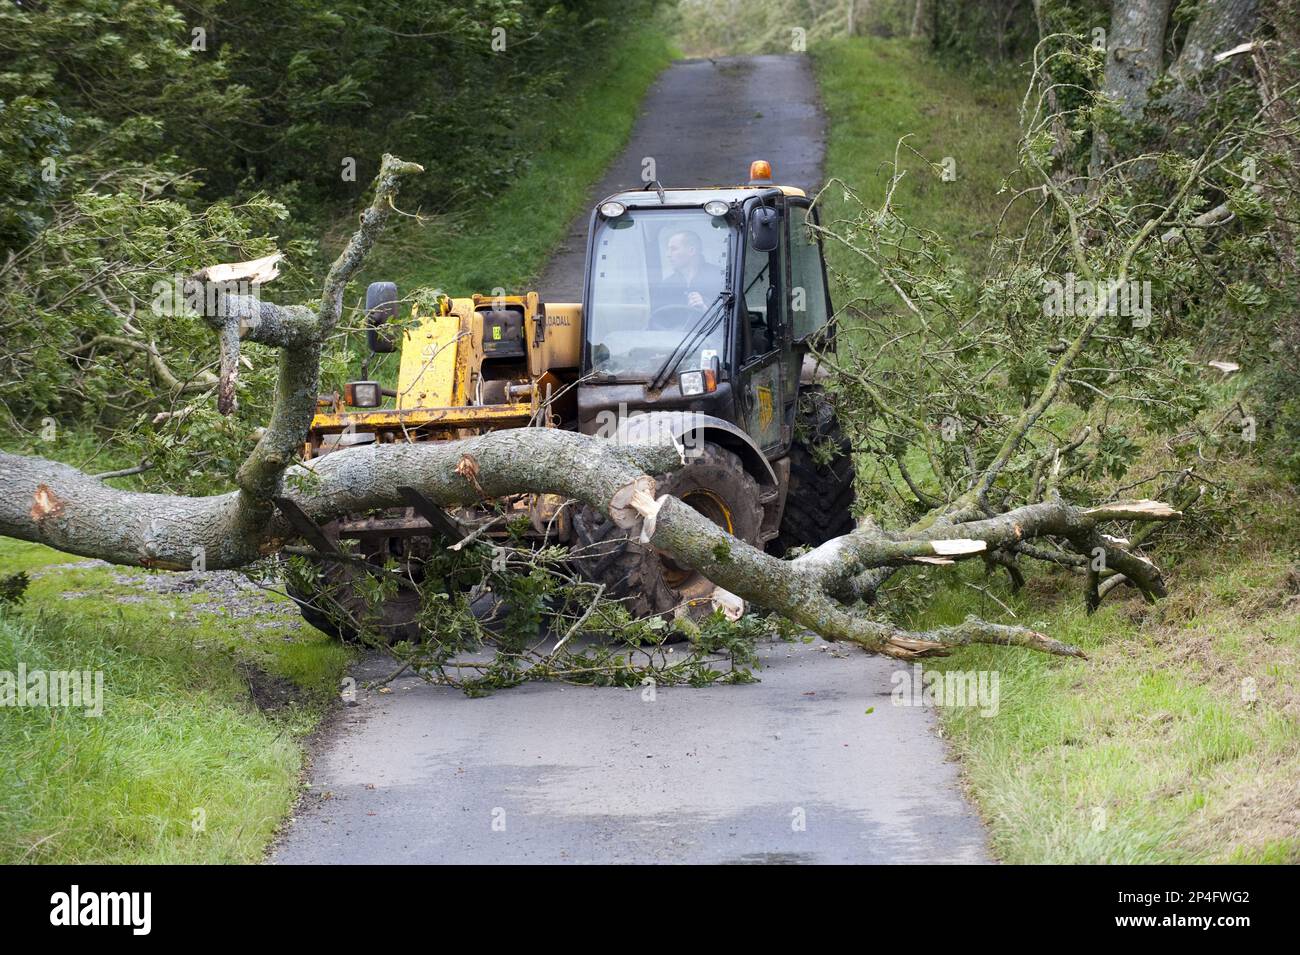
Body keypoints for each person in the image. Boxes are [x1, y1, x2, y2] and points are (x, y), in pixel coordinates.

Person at [656, 230, 724, 315]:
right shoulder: (667, 285)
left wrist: (705, 308)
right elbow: (658, 319)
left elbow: (731, 319)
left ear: (691, 251)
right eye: (668, 249)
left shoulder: (720, 278)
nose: (668, 254)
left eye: (673, 249)